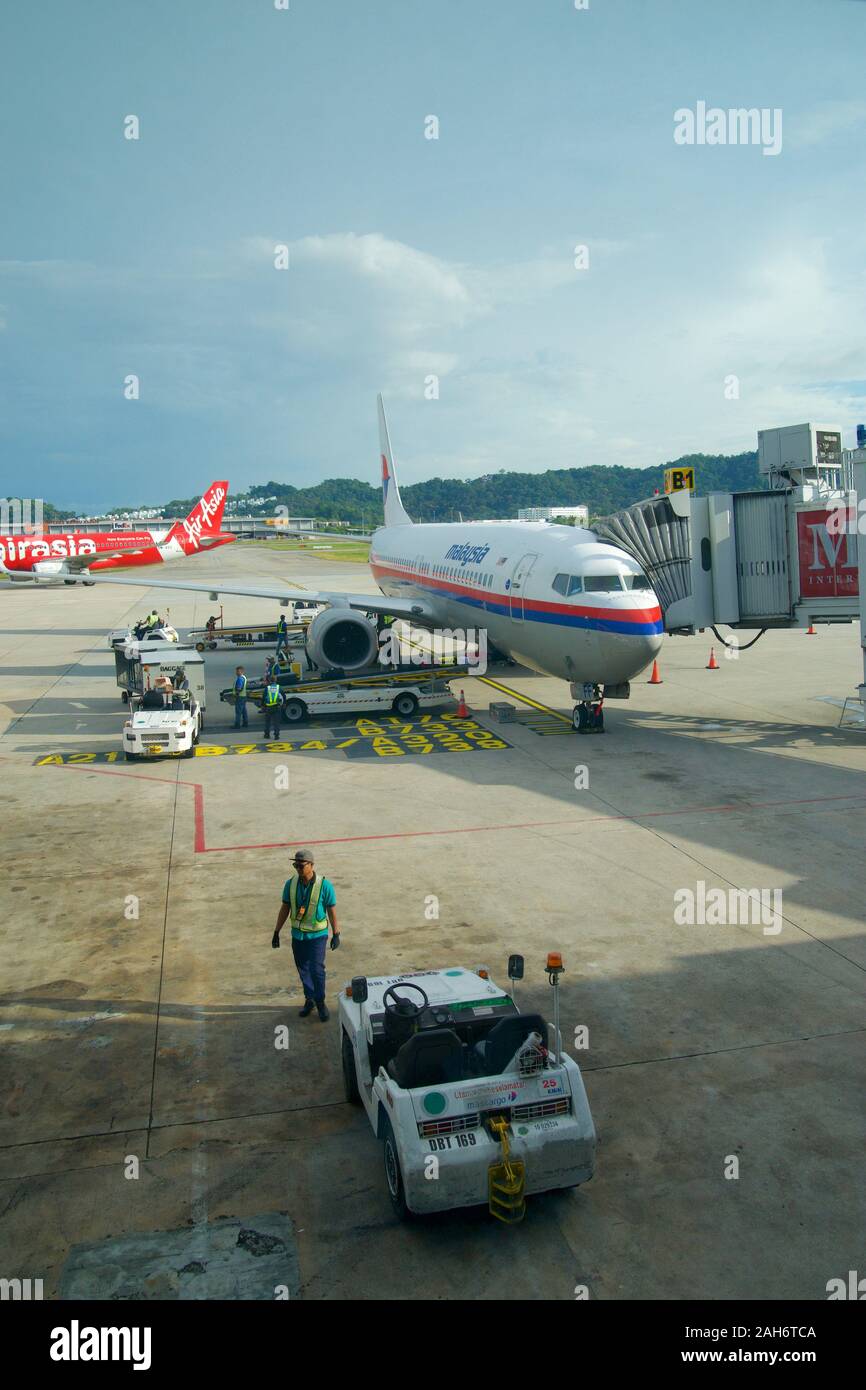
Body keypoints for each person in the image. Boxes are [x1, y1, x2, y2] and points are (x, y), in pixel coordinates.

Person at [271, 849, 340, 1021]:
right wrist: (276, 931)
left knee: (317, 969)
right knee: (303, 969)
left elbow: (331, 910)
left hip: (317, 935)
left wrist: (336, 933)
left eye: (301, 865)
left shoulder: (324, 885)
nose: (298, 869)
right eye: (296, 865)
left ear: (311, 865)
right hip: (298, 935)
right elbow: (285, 908)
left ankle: (321, 1001)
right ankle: (310, 999)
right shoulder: (290, 884)